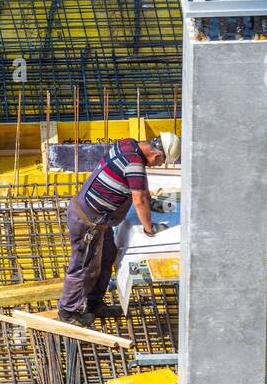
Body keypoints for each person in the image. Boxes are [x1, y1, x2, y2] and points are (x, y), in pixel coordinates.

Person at [58, 131, 180, 326]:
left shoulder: (128, 145)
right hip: (89, 222)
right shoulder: (135, 165)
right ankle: (67, 311)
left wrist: (151, 201)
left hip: (98, 219)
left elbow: (140, 181)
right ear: (157, 156)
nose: (158, 166)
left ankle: (94, 303)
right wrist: (149, 229)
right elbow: (138, 200)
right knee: (84, 266)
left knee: (107, 255)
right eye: (161, 163)